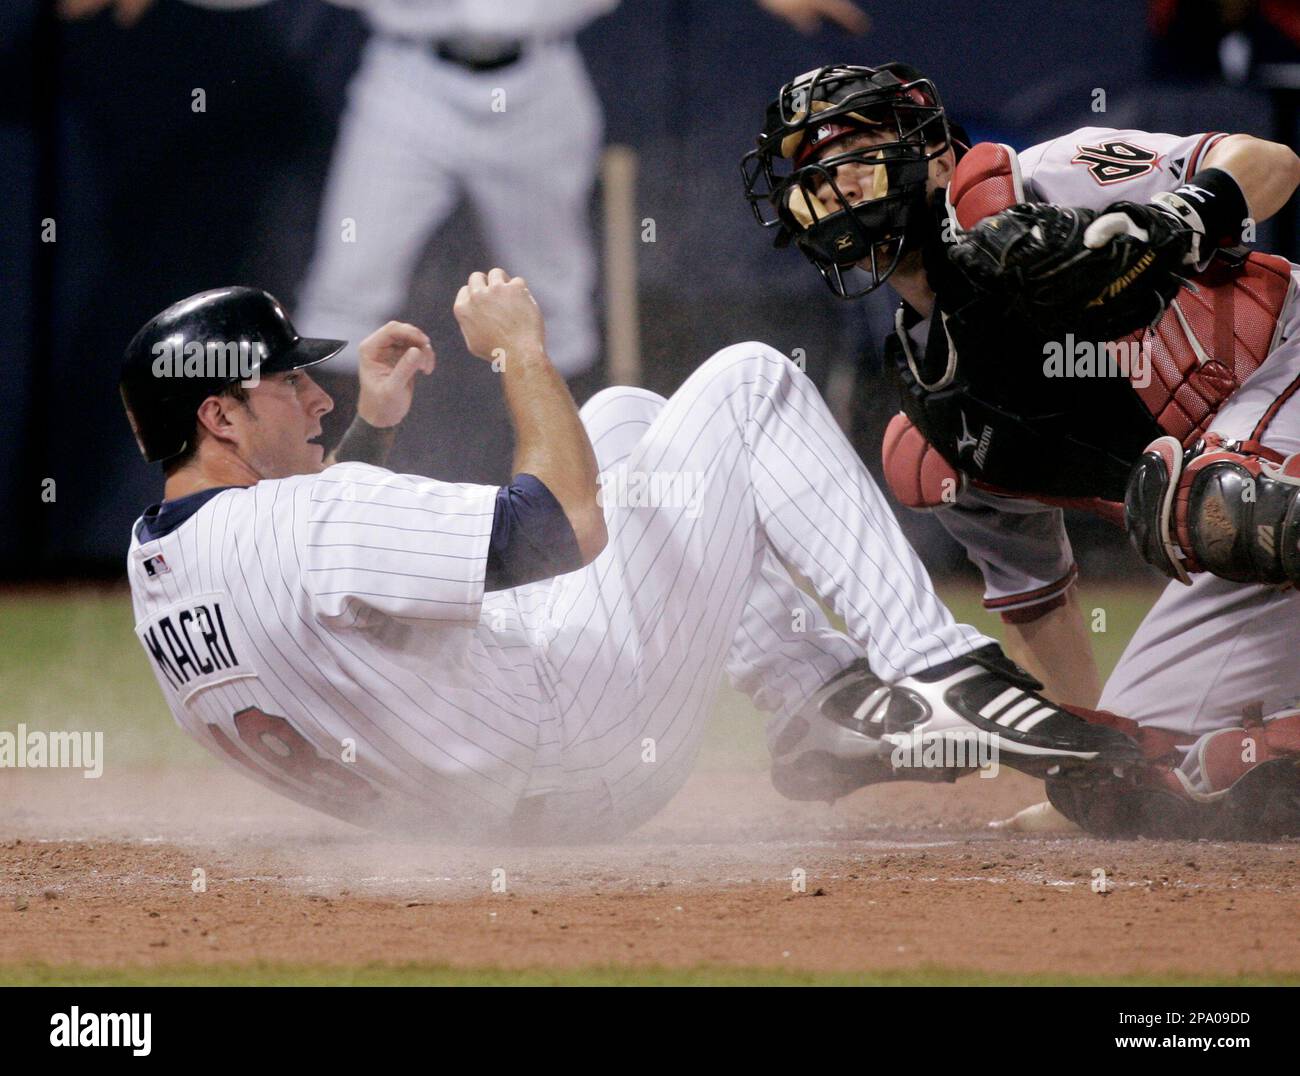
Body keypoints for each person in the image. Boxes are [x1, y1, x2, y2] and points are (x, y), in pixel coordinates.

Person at [117, 275, 1134, 843]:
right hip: (574, 740)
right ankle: (934, 668)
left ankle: (814, 698)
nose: (320, 396)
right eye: (292, 385)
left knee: (626, 418)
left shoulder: (159, 567)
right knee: (746, 385)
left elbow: (315, 580)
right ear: (219, 411)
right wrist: (518, 347)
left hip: (473, 797)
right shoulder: (303, 523)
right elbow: (557, 526)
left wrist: (375, 430)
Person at [742, 61, 1300, 837]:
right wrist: (1079, 759)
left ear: (934, 152)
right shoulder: (939, 423)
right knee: (1138, 784)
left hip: (1285, 367)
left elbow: (1271, 163)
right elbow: (1040, 603)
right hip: (1228, 509)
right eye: (808, 164)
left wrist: (1171, 224)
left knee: (1222, 501)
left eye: (855, 143)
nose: (831, 177)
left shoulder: (1043, 181)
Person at [63, 0, 871, 379]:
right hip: (408, 87)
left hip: (541, 83)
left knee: (557, 307)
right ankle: (304, 518)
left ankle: (586, 509)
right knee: (344, 294)